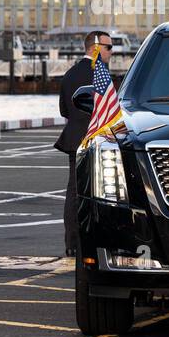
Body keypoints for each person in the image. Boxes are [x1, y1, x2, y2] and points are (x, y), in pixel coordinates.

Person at [53, 30, 111, 257]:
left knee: (74, 192)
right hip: (98, 139)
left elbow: (63, 110)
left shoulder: (69, 74)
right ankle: (98, 242)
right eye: (108, 48)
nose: (111, 53)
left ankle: (72, 243)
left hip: (74, 139)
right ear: (95, 48)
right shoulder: (101, 74)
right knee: (104, 192)